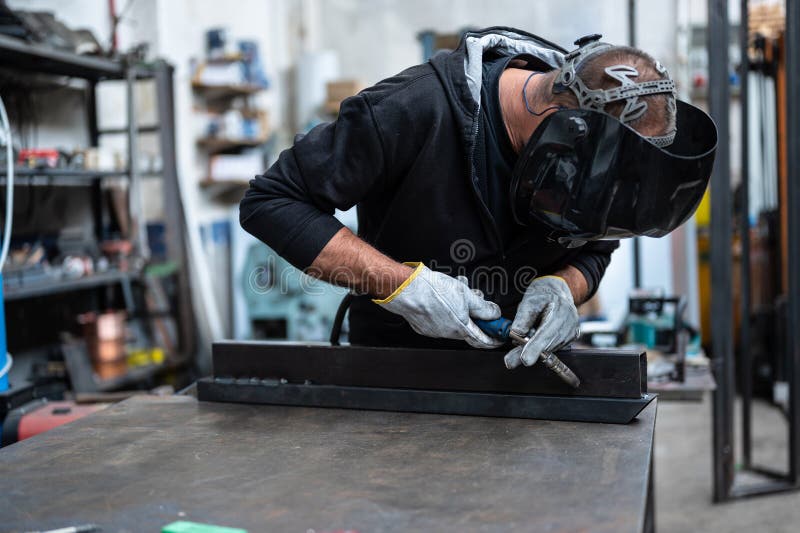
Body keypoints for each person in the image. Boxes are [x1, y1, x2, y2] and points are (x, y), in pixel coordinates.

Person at [239, 28, 716, 369]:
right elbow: (273, 201)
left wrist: (563, 288)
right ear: (562, 120)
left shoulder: (595, 149)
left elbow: (598, 242)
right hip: (398, 377)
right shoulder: (415, 108)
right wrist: (404, 287)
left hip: (526, 377)